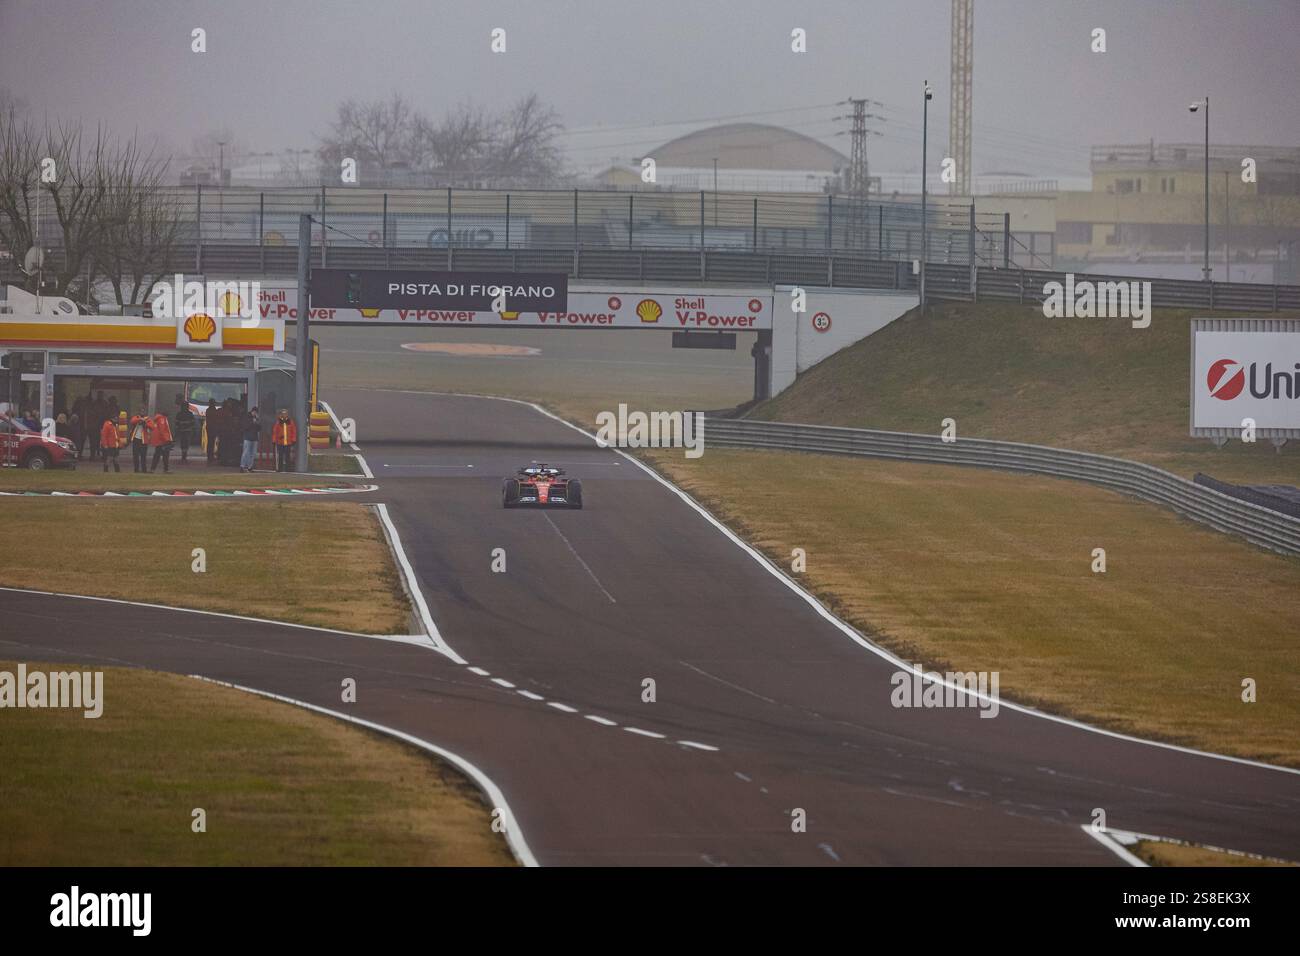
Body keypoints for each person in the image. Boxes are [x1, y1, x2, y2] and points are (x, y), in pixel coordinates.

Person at [272, 408, 297, 472]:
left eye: (285, 413)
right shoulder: (278, 422)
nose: (285, 415)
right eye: (283, 413)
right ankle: (280, 469)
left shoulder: (290, 422)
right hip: (280, 442)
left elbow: (293, 431)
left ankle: (288, 469)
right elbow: (275, 432)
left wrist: (293, 439)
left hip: (288, 442)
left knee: (287, 456)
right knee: (280, 456)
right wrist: (274, 440)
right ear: (281, 414)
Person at [128, 408, 152, 473]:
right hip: (136, 439)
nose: (142, 412)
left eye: (143, 411)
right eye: (141, 411)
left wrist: (144, 422)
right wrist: (140, 419)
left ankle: (144, 470)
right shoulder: (136, 417)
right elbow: (132, 421)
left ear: (145, 412)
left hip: (144, 440)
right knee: (135, 456)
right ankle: (136, 469)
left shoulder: (148, 419)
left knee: (143, 456)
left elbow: (152, 426)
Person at [240, 405, 261, 473]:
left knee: (253, 453)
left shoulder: (256, 419)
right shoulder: (246, 417)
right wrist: (252, 422)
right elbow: (245, 427)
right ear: (252, 411)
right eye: (255, 412)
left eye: (256, 413)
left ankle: (250, 467)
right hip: (247, 437)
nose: (255, 414)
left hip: (254, 438)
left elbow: (259, 428)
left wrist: (257, 421)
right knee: (246, 452)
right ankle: (242, 466)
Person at [174, 396, 195, 464]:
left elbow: (177, 423)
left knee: (184, 443)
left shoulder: (180, 414)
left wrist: (180, 426)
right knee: (185, 443)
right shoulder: (189, 414)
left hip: (184, 431)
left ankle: (184, 455)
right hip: (186, 431)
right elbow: (192, 423)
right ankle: (184, 456)